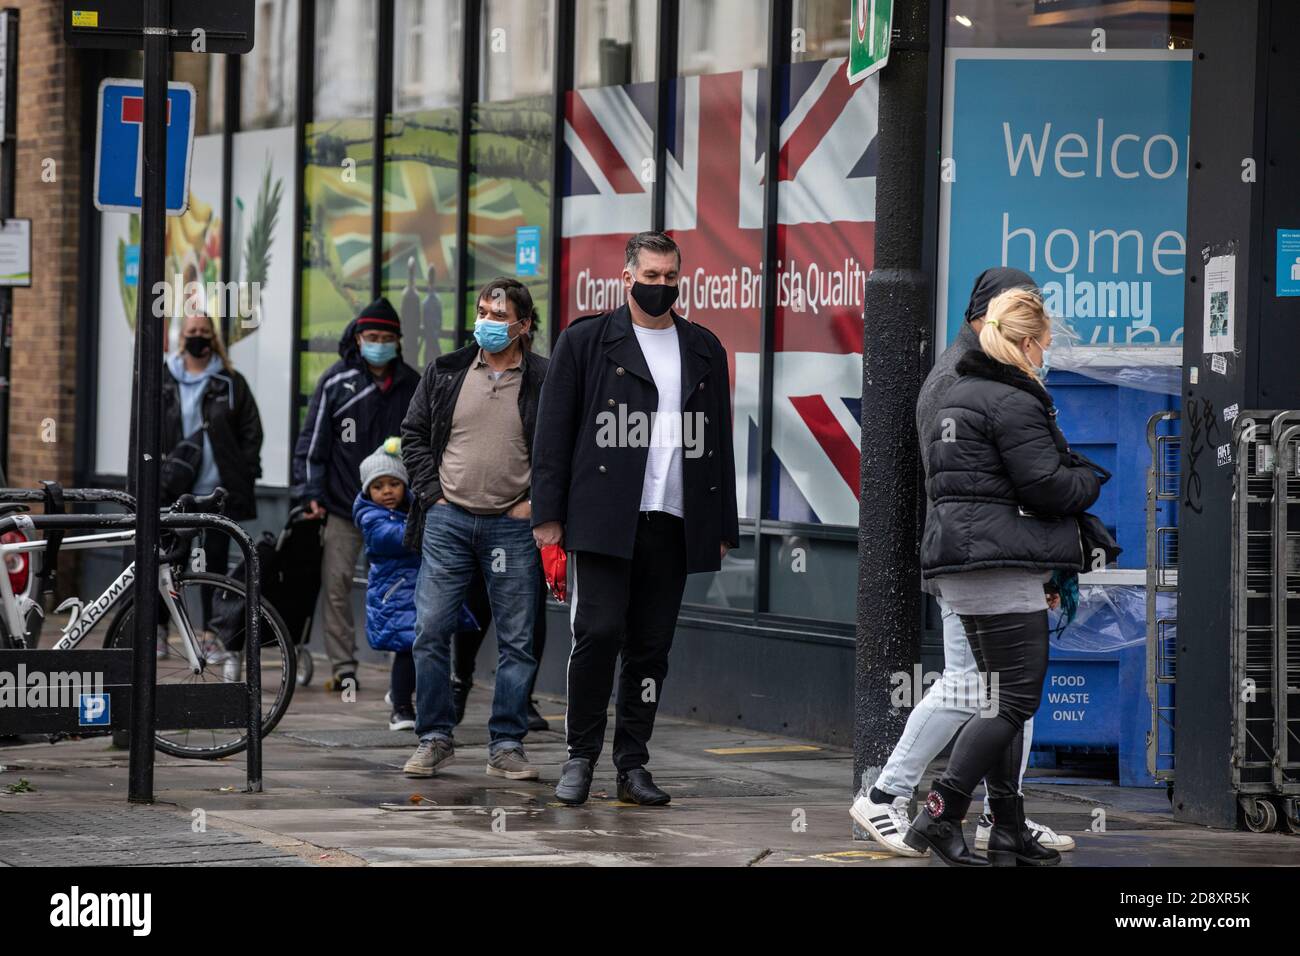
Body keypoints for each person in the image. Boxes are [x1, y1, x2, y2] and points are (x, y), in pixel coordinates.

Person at [849, 268, 1074, 858]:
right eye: (1029, 321)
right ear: (993, 319)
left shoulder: (976, 372)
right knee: (977, 687)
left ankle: (1001, 818)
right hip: (977, 558)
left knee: (996, 690)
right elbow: (1005, 482)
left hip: (982, 554)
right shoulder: (963, 376)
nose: (1039, 339)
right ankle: (887, 797)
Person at [530, 231, 740, 807]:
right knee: (596, 635)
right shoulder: (586, 341)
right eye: (650, 277)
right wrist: (548, 516)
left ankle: (633, 764)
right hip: (602, 517)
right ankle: (579, 758)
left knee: (651, 648)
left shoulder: (703, 347)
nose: (661, 287)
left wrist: (721, 523)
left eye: (670, 277)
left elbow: (717, 440)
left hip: (672, 519)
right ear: (626, 277)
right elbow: (553, 435)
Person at [903, 287, 1101, 867]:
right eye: (1044, 343)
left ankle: (1009, 827)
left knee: (995, 697)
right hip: (997, 563)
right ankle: (939, 812)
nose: (1045, 354)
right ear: (1027, 342)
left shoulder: (957, 390)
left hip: (966, 561)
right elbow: (1045, 484)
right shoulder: (1013, 400)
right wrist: (1089, 477)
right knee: (1013, 700)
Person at [399, 277, 549, 781]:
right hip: (448, 519)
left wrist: (534, 503)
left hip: (512, 525)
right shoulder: (445, 371)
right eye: (482, 311)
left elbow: (563, 452)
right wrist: (433, 497)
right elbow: (413, 435)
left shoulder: (545, 380)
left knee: (518, 639)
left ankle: (506, 744)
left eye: (499, 315)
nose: (487, 322)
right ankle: (434, 737)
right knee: (430, 630)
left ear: (524, 325)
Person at [292, 298, 420, 692]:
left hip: (399, 512)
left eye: (386, 337)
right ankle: (344, 666)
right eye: (371, 336)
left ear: (398, 341)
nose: (378, 343)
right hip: (343, 507)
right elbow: (312, 443)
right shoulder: (335, 382)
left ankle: (401, 674)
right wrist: (309, 491)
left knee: (403, 587)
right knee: (337, 585)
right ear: (358, 338)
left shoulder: (413, 385)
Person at [160, 311, 263, 671]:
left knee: (213, 566)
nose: (198, 337)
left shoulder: (230, 381)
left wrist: (243, 472)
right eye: (192, 331)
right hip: (173, 491)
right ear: (181, 336)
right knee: (168, 560)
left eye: (204, 331)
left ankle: (209, 636)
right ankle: (158, 631)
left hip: (217, 493)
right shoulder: (164, 379)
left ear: (214, 337)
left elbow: (252, 432)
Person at [353, 440, 420, 731]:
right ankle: (401, 708)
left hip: (416, 587)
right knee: (406, 646)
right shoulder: (371, 517)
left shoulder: (412, 510)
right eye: (378, 486)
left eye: (394, 483)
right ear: (368, 491)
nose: (387, 491)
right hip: (393, 592)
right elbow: (394, 537)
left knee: (422, 646)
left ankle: (403, 694)